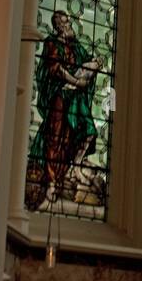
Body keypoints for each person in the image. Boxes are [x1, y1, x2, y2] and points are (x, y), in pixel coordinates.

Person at [25, 11, 102, 209]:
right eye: (65, 23)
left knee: (84, 131)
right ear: (58, 26)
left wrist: (96, 63)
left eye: (69, 22)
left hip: (75, 97)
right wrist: (75, 80)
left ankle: (74, 167)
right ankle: (52, 181)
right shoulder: (52, 43)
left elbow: (86, 59)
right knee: (56, 136)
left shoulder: (74, 44)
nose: (69, 26)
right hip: (59, 95)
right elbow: (55, 69)